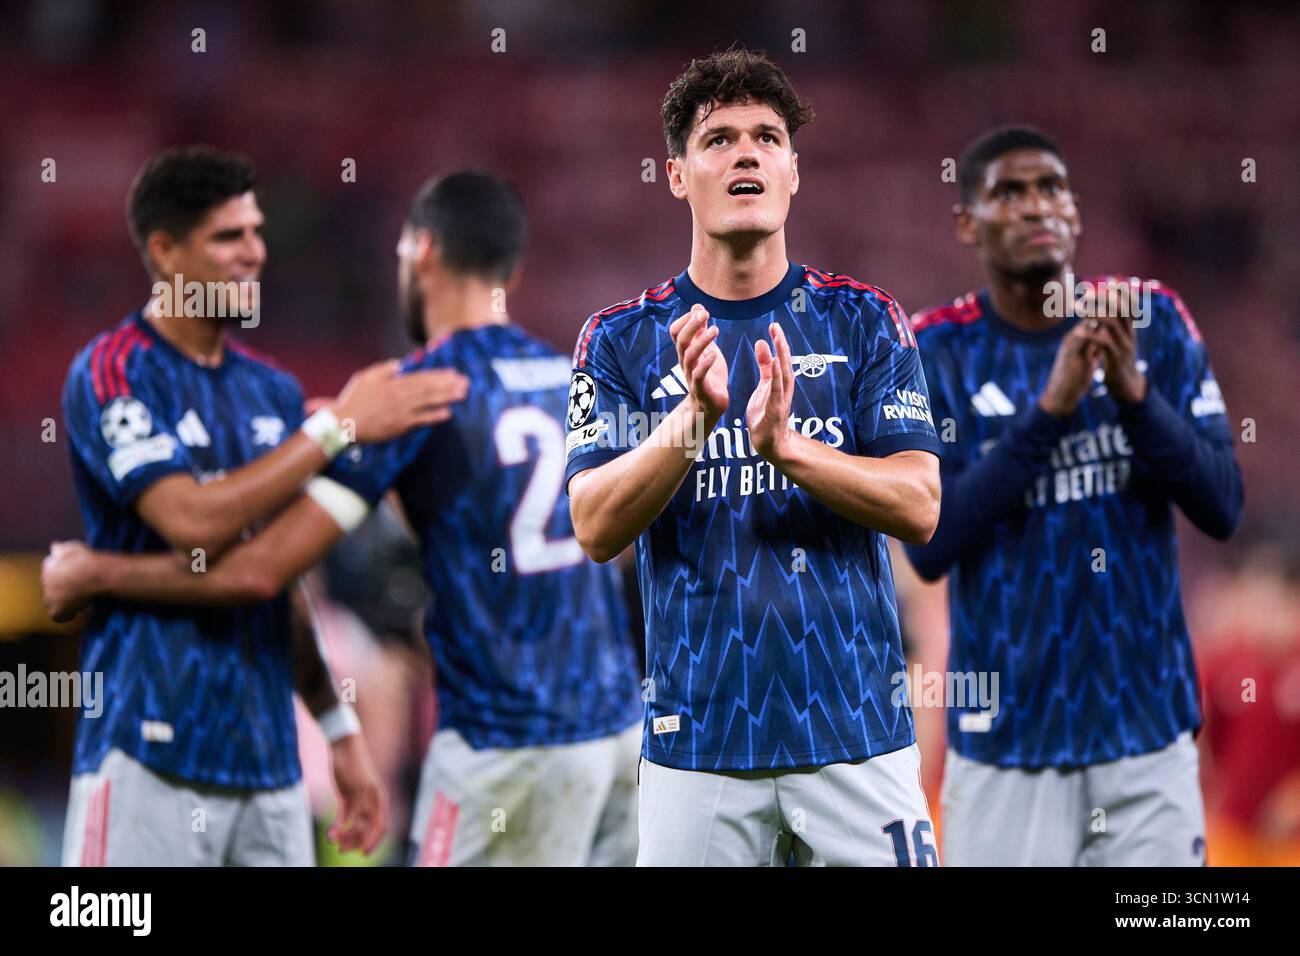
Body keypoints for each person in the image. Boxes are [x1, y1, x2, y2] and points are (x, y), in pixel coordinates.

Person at [45, 170, 644, 866]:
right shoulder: (570, 380)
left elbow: (261, 570)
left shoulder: (412, 397)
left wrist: (99, 572)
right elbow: (609, 541)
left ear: (421, 252)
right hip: (619, 742)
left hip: (506, 749)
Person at [565, 48, 943, 866]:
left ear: (793, 172)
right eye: (719, 138)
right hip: (696, 748)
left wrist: (789, 449)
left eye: (768, 137)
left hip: (857, 738)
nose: (746, 153)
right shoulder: (621, 339)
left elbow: (919, 505)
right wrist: (691, 422)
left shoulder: (867, 322)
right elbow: (594, 526)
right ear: (676, 175)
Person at [49, 145, 467, 865]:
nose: (255, 254)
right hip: (149, 754)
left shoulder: (271, 391)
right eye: (228, 237)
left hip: (270, 765)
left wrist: (339, 735)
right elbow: (193, 522)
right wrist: (338, 424)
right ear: (165, 251)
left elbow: (278, 578)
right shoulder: (115, 371)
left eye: (256, 232)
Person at [905, 125, 1243, 866]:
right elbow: (931, 546)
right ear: (968, 222)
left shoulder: (1151, 323)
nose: (1036, 208)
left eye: (1052, 188)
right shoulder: (935, 352)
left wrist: (1133, 397)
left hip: (1146, 733)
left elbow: (1222, 505)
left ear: (1077, 213)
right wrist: (1050, 414)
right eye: (1009, 193)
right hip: (1005, 743)